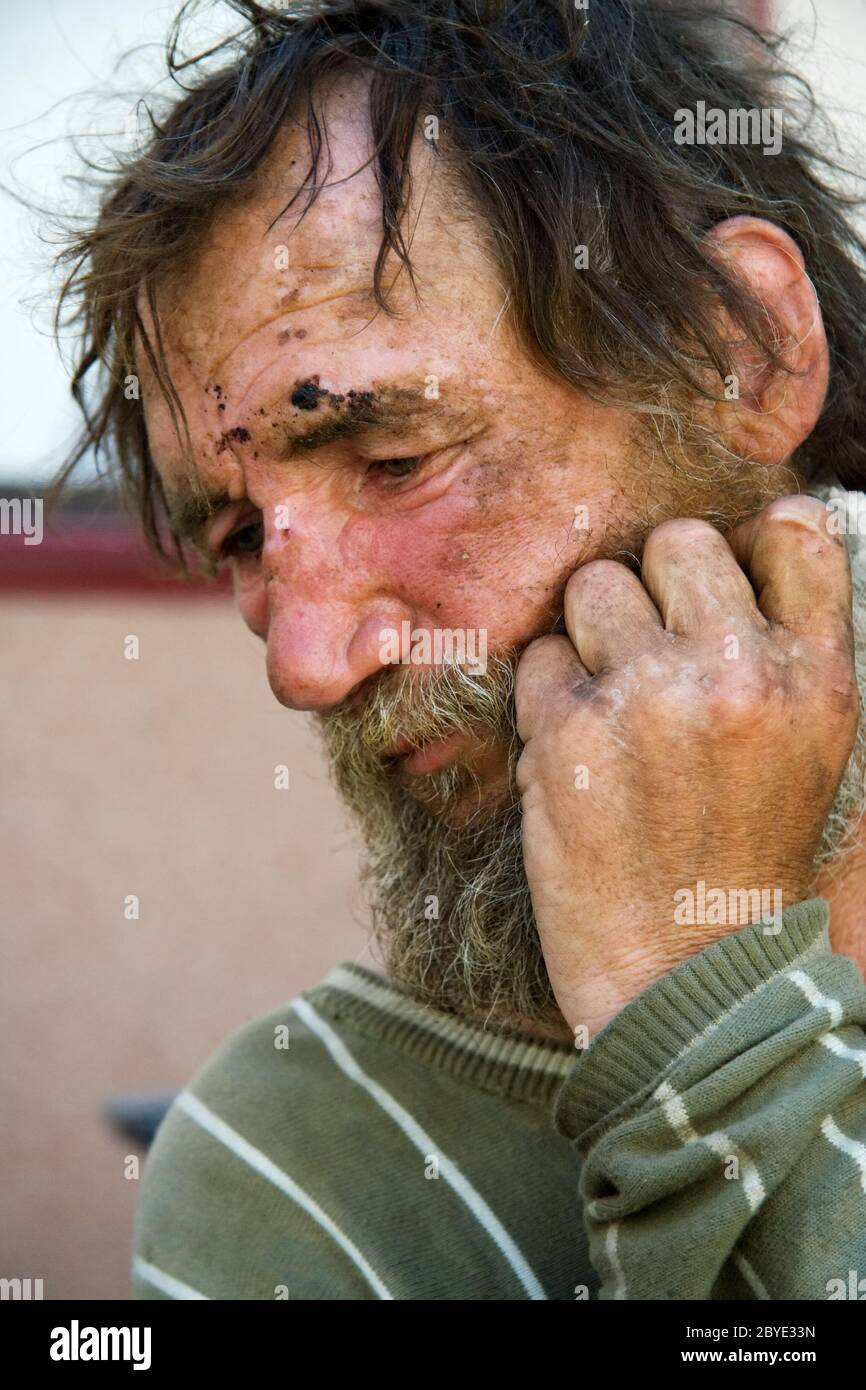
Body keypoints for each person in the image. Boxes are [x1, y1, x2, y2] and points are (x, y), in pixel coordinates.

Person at [56, 0, 866, 1299]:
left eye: (394, 461)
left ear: (742, 350)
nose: (304, 662)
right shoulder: (297, 1177)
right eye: (242, 540)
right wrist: (710, 1027)